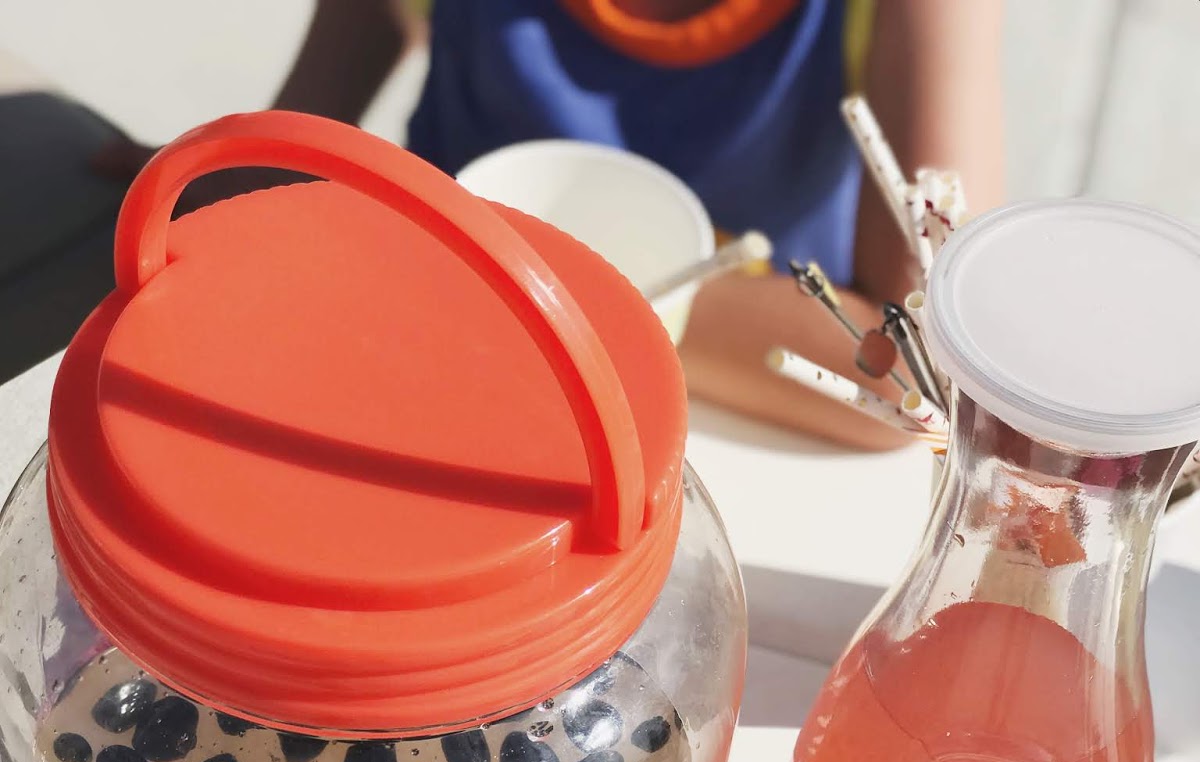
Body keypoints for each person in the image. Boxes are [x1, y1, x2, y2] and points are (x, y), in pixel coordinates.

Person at [95, 1, 1008, 445]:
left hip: (715, 438)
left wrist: (494, 273)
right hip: (418, 383)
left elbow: (931, 371)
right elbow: (294, 140)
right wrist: (246, 175)